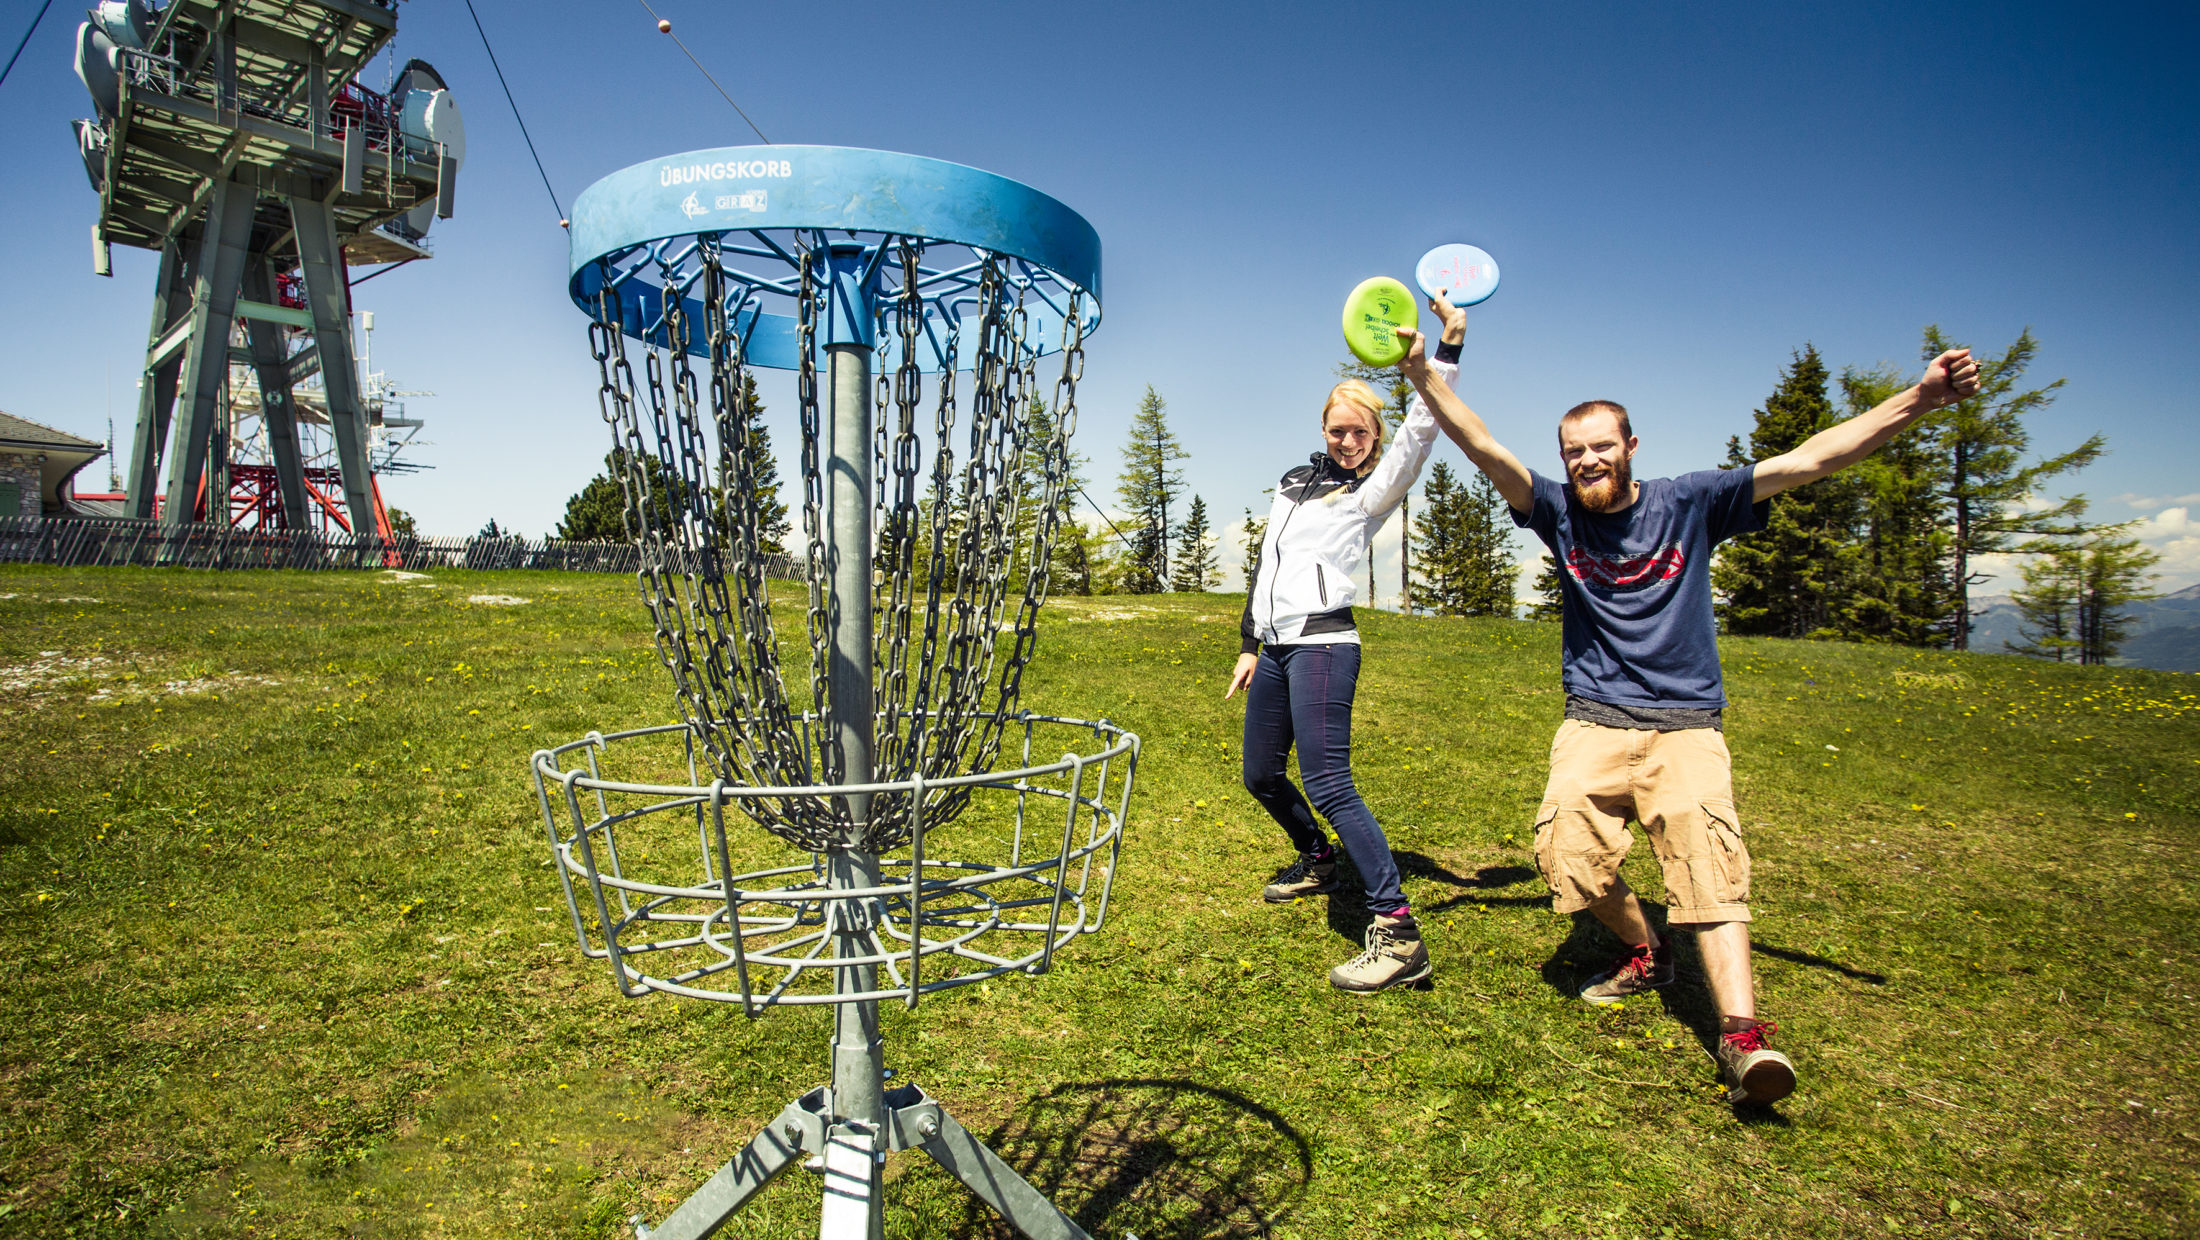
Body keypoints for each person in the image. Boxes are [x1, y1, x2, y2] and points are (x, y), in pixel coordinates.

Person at [1394, 321, 1980, 1102]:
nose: (1588, 461)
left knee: (1709, 869)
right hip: (1594, 718)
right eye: (1574, 452)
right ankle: (1648, 950)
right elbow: (1484, 448)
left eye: (1601, 447)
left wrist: (1922, 398)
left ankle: (1742, 1039)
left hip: (1686, 724)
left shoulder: (1694, 502)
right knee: (1566, 856)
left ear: (1632, 445)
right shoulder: (1559, 512)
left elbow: (1812, 458)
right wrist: (1422, 374)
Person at [1226, 297, 1465, 994]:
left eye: (1360, 432)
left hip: (1325, 646)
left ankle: (1397, 930)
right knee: (1261, 774)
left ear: (1373, 434)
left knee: (1330, 782)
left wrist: (1445, 352)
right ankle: (1317, 859)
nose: (1347, 442)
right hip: (1274, 649)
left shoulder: (1370, 491)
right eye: (1338, 430)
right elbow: (1267, 564)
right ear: (1323, 430)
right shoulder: (1294, 484)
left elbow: (1424, 430)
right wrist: (1249, 642)